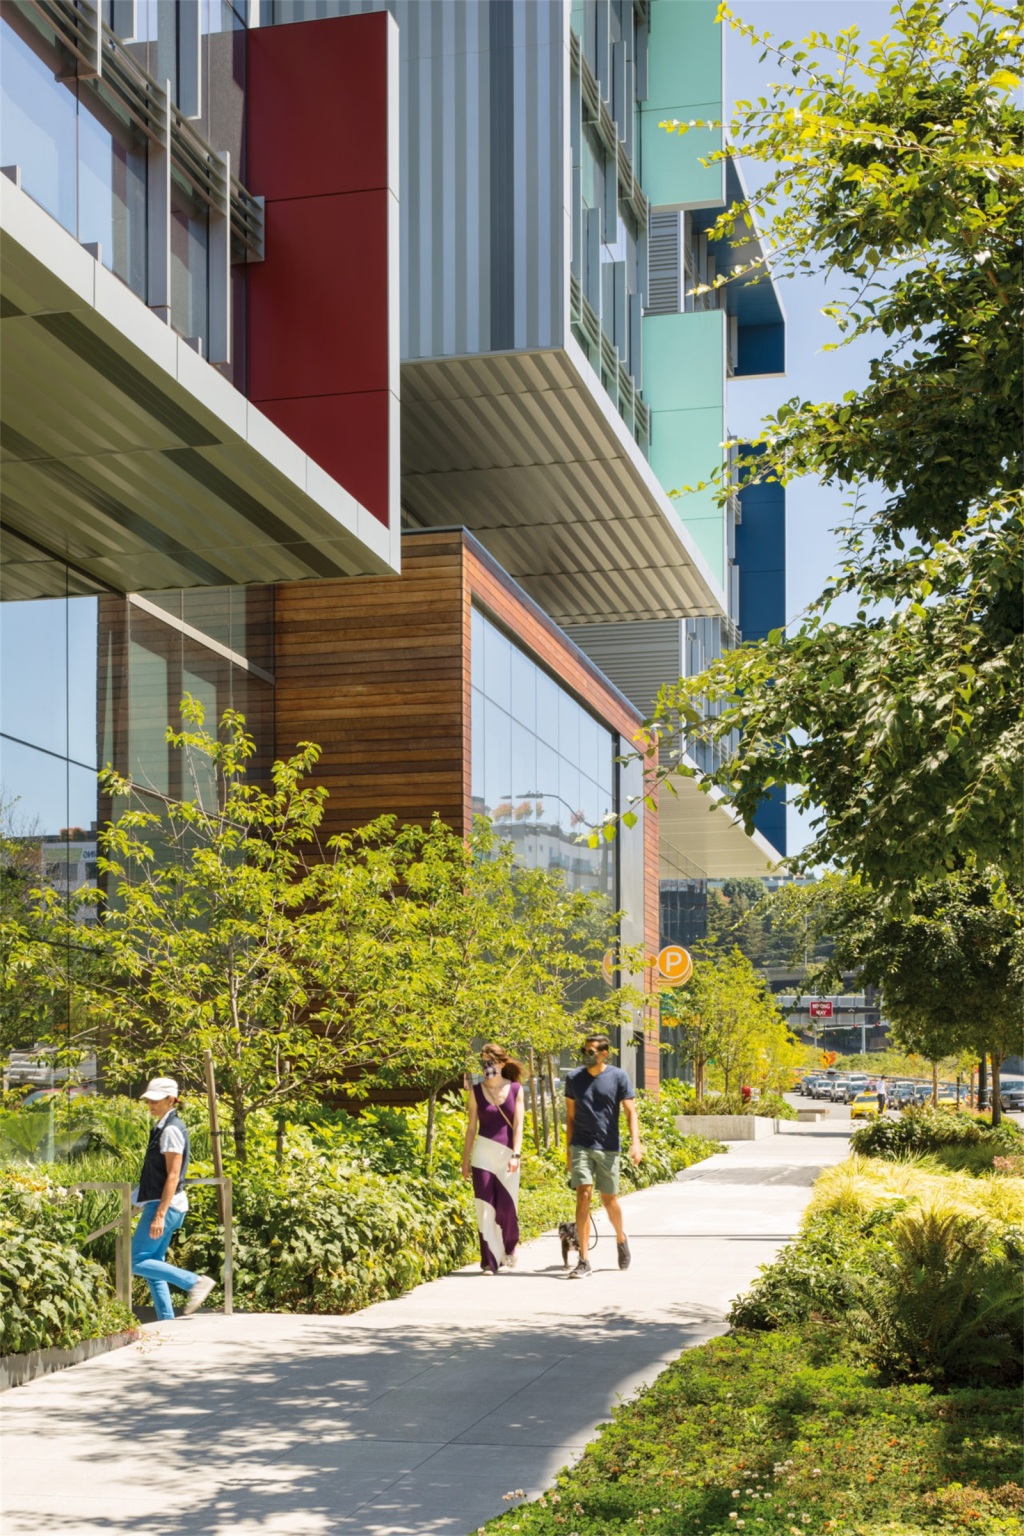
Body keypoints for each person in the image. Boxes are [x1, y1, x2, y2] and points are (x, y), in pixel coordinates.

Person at [131, 1077, 215, 1321]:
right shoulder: (163, 1127)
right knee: (154, 1265)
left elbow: (173, 1176)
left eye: (156, 1100)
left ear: (171, 1100)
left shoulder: (170, 1130)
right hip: (161, 1204)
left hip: (164, 1206)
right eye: (149, 1100)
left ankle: (195, 1282)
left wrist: (159, 1214)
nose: (151, 1105)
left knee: (135, 1261)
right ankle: (167, 1320)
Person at [564, 1033, 643, 1279]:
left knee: (609, 1200)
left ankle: (620, 1237)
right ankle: (584, 1259)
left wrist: (636, 1143)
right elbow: (570, 1117)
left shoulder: (618, 1076)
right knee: (583, 1194)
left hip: (608, 1147)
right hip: (581, 1145)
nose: (587, 1055)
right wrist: (568, 1151)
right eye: (584, 1051)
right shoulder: (574, 1078)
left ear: (604, 1053)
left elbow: (630, 1112)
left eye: (592, 1051)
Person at [461, 1044, 524, 1274]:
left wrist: (516, 1154)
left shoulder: (515, 1089)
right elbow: (471, 1128)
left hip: (507, 1155)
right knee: (484, 1207)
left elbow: (518, 1127)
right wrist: (465, 1160)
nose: (487, 1066)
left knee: (507, 1209)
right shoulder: (476, 1091)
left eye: (491, 1062)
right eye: (483, 1062)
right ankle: (489, 1260)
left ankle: (509, 1247)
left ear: (501, 1064)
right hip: (483, 1155)